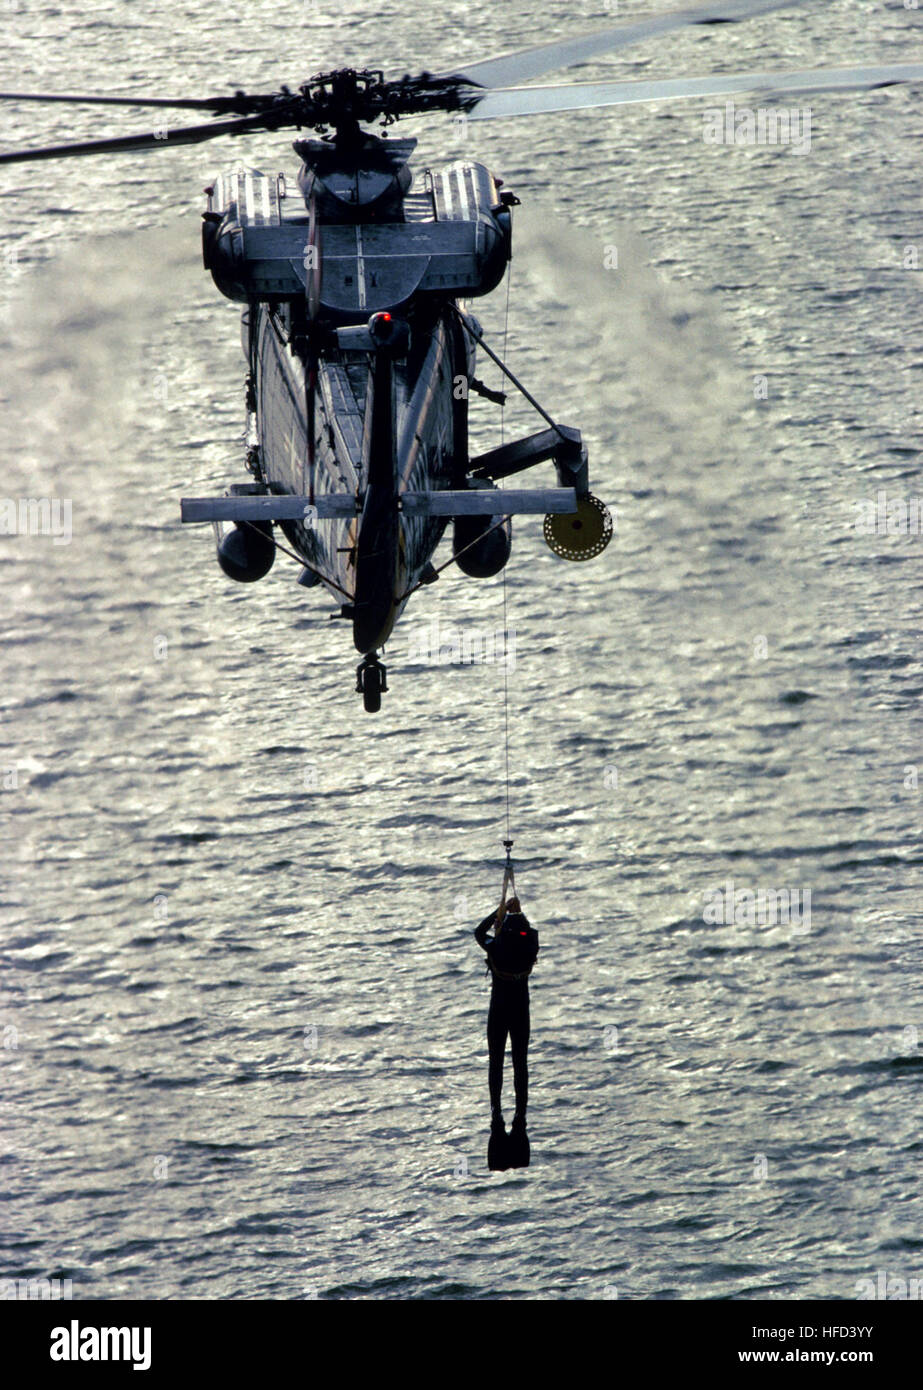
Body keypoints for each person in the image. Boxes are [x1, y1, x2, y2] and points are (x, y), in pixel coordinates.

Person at [474, 895, 539, 1142]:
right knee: (520, 1063)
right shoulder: (529, 945)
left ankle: (496, 1113)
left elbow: (479, 932)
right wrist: (517, 914)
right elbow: (528, 932)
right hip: (521, 1009)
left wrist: (498, 911)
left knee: (496, 1062)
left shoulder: (495, 946)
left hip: (499, 1010)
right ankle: (521, 1115)